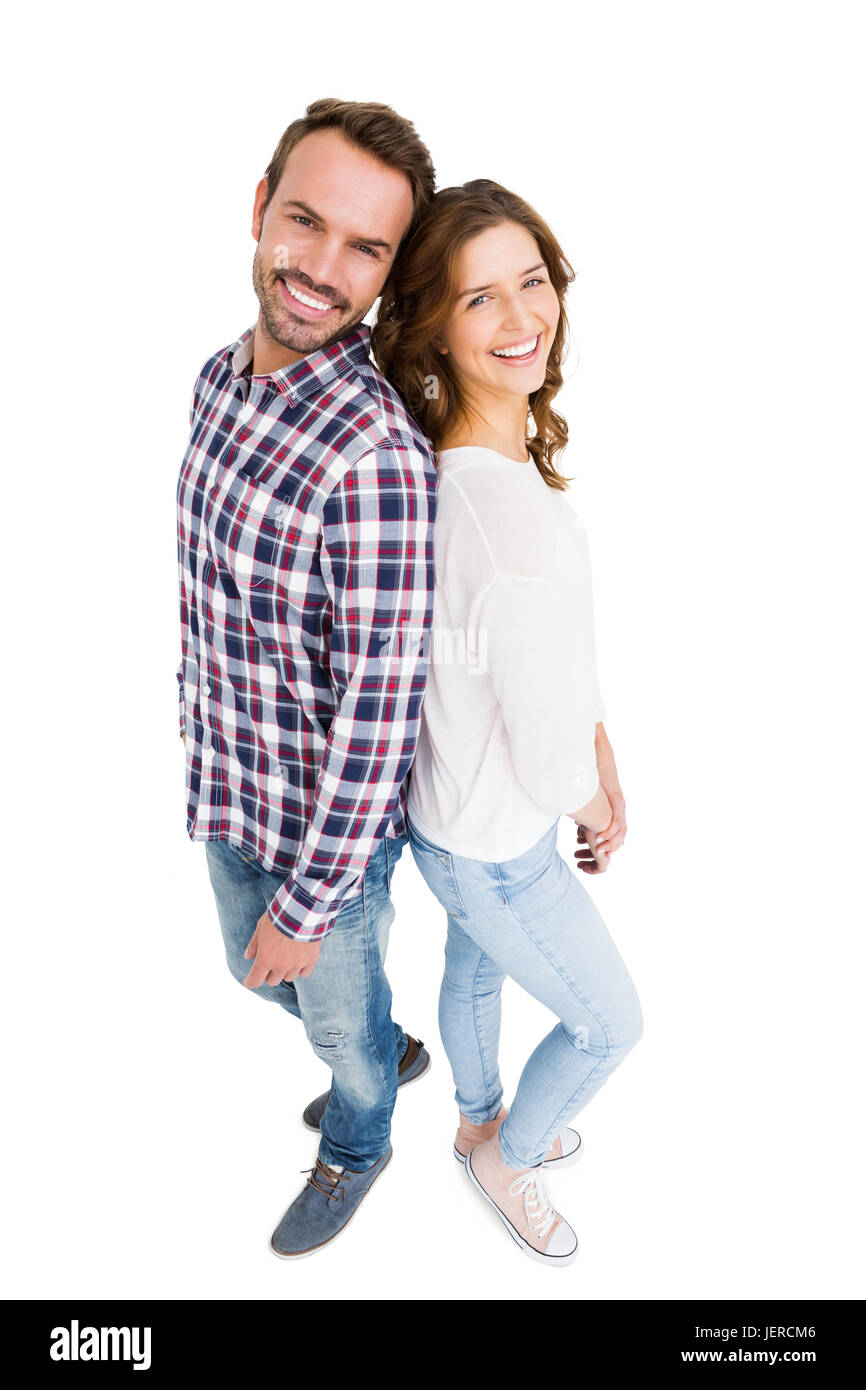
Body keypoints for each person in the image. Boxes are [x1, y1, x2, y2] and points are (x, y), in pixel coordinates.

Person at [175, 99, 438, 1259]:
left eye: (365, 248)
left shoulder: (374, 459)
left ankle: (363, 1133)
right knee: (256, 983)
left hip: (320, 843)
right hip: (229, 785)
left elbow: (379, 725)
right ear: (259, 211)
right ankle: (379, 1038)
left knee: (332, 1028)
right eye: (305, 221)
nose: (323, 269)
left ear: (389, 271)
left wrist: (305, 903)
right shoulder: (217, 381)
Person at [372, 180, 643, 1267]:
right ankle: (508, 1151)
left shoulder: (456, 474)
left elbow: (530, 668)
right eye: (479, 299)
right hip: (498, 844)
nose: (522, 317)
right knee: (609, 1024)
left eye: (530, 281)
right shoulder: (510, 527)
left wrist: (600, 745)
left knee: (474, 968)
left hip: (448, 822)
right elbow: (543, 756)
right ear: (433, 327)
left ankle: (476, 1115)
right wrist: (597, 798)